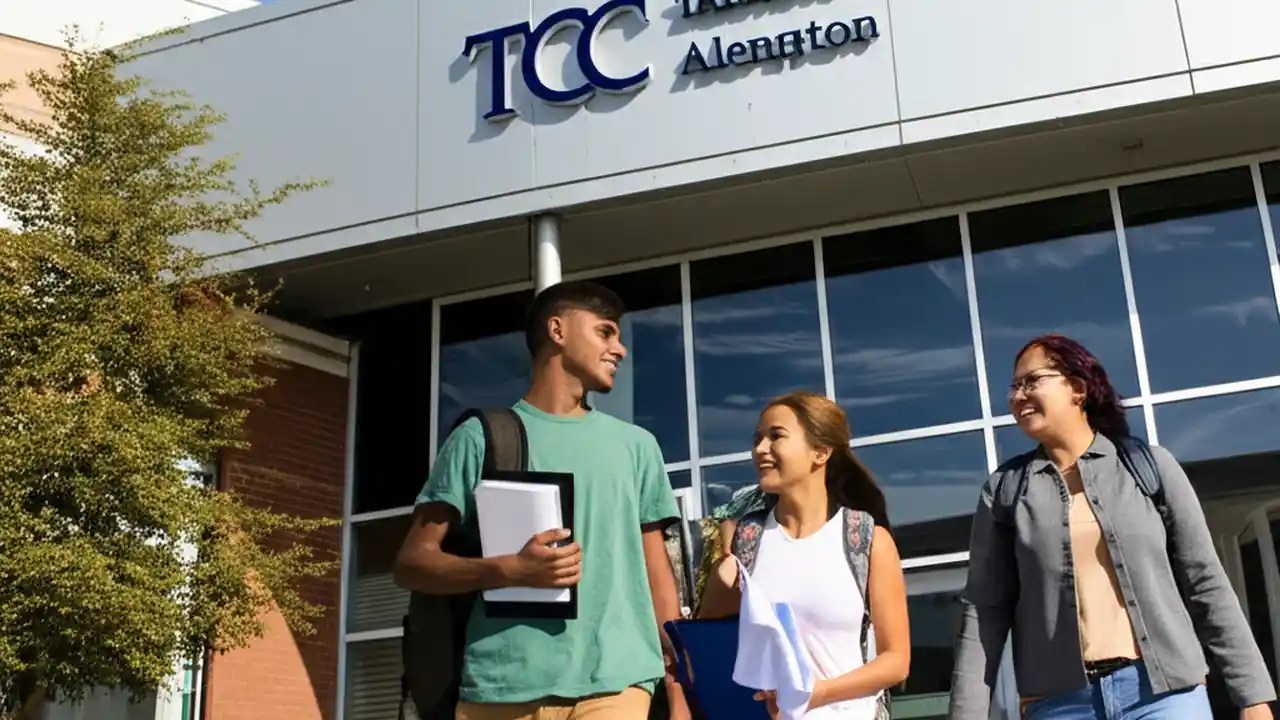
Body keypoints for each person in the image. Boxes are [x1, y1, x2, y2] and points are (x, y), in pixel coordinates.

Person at [393, 280, 691, 720]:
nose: (620, 349)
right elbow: (412, 563)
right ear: (557, 330)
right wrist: (507, 569)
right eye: (605, 332)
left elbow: (655, 570)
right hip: (502, 686)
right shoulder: (480, 438)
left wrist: (677, 686)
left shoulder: (637, 446)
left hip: (618, 683)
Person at [950, 334, 1277, 720]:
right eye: (1014, 387)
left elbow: (1205, 582)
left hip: (1164, 696)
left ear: (1077, 388)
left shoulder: (1150, 467)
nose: (1018, 395)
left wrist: (1253, 696)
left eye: (1031, 381)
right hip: (1062, 705)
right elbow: (984, 612)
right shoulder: (1004, 490)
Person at [698, 391, 911, 719]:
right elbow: (707, 640)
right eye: (757, 439)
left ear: (821, 451)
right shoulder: (748, 543)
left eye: (776, 436)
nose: (760, 450)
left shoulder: (866, 541)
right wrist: (726, 560)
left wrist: (819, 693)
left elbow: (896, 662)